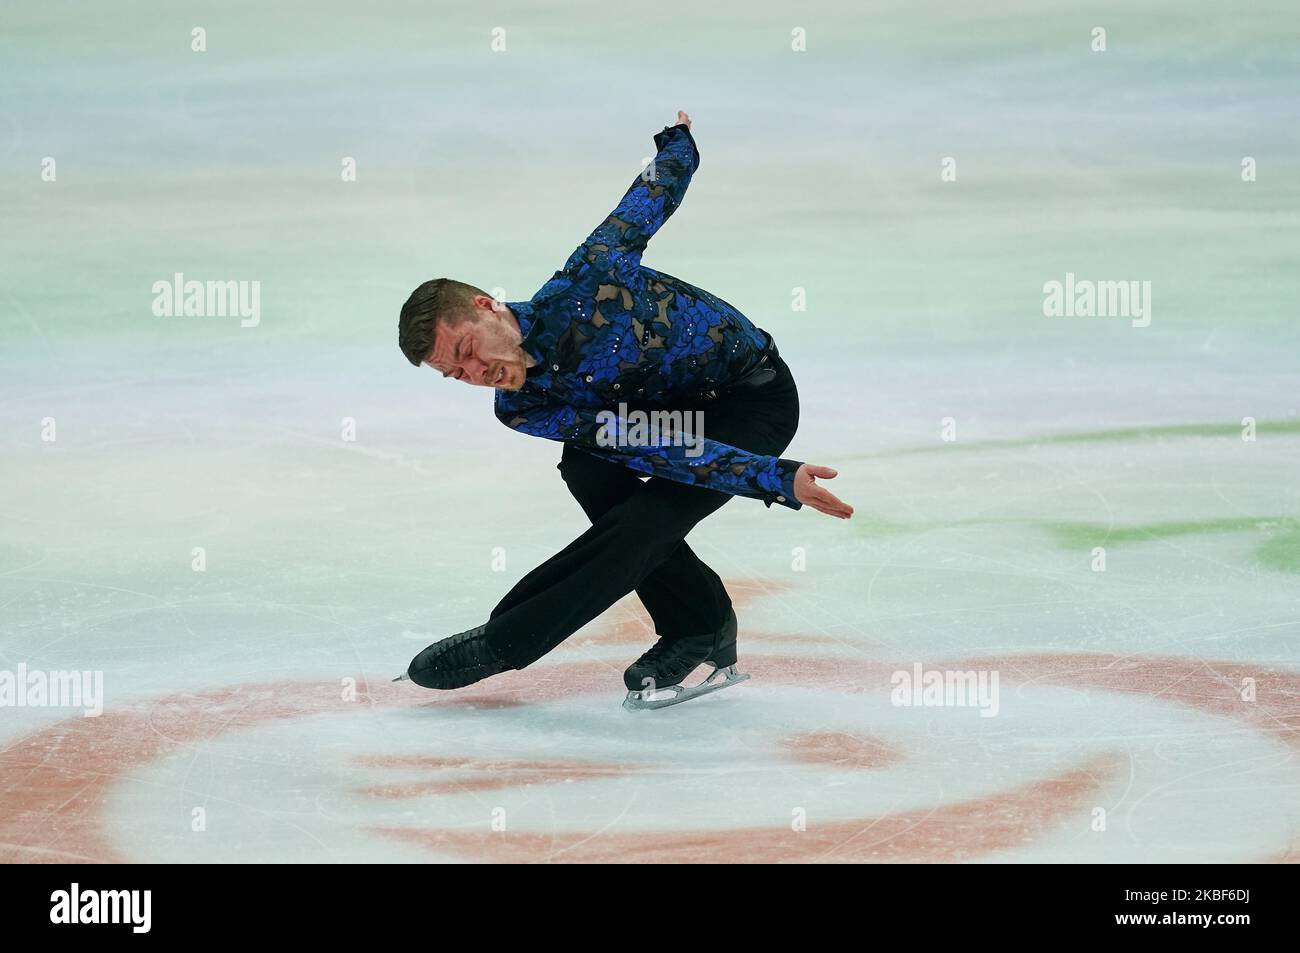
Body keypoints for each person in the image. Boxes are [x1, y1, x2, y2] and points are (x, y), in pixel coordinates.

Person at [395, 111, 853, 709]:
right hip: (665, 420)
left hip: (751, 397)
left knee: (647, 519)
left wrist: (677, 141)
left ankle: (506, 642)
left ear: (485, 307)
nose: (477, 374)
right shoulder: (522, 407)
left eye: (467, 352)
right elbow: (653, 444)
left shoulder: (591, 280)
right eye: (457, 375)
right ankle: (701, 623)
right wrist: (766, 477)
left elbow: (652, 197)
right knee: (590, 471)